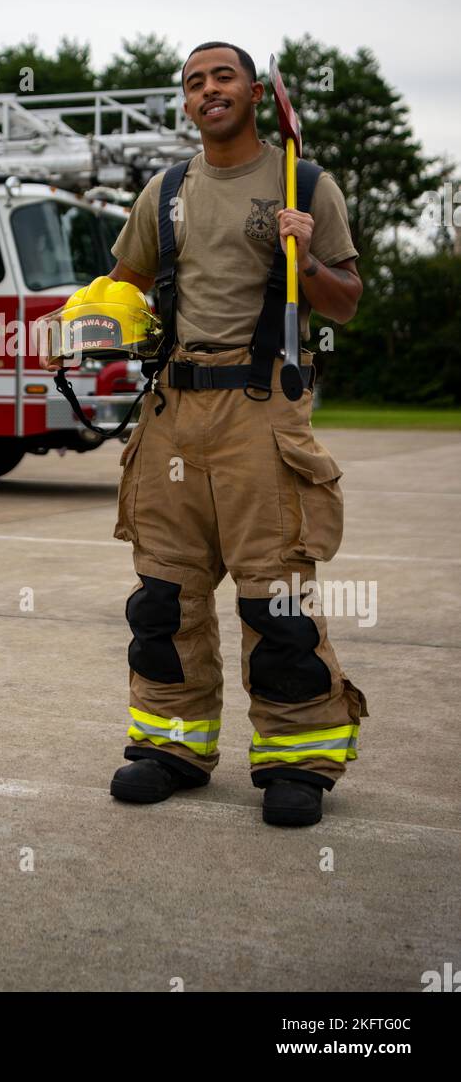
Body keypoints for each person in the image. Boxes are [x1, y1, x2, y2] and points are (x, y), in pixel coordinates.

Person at [108, 41, 368, 827]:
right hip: (171, 412)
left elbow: (346, 301)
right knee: (165, 596)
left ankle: (298, 760)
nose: (207, 89)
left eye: (222, 76)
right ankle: (171, 748)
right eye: (194, 82)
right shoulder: (165, 191)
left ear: (256, 93)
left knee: (274, 597)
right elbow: (124, 286)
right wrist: (101, 321)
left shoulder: (306, 184)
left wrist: (305, 258)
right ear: (186, 103)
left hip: (261, 410)